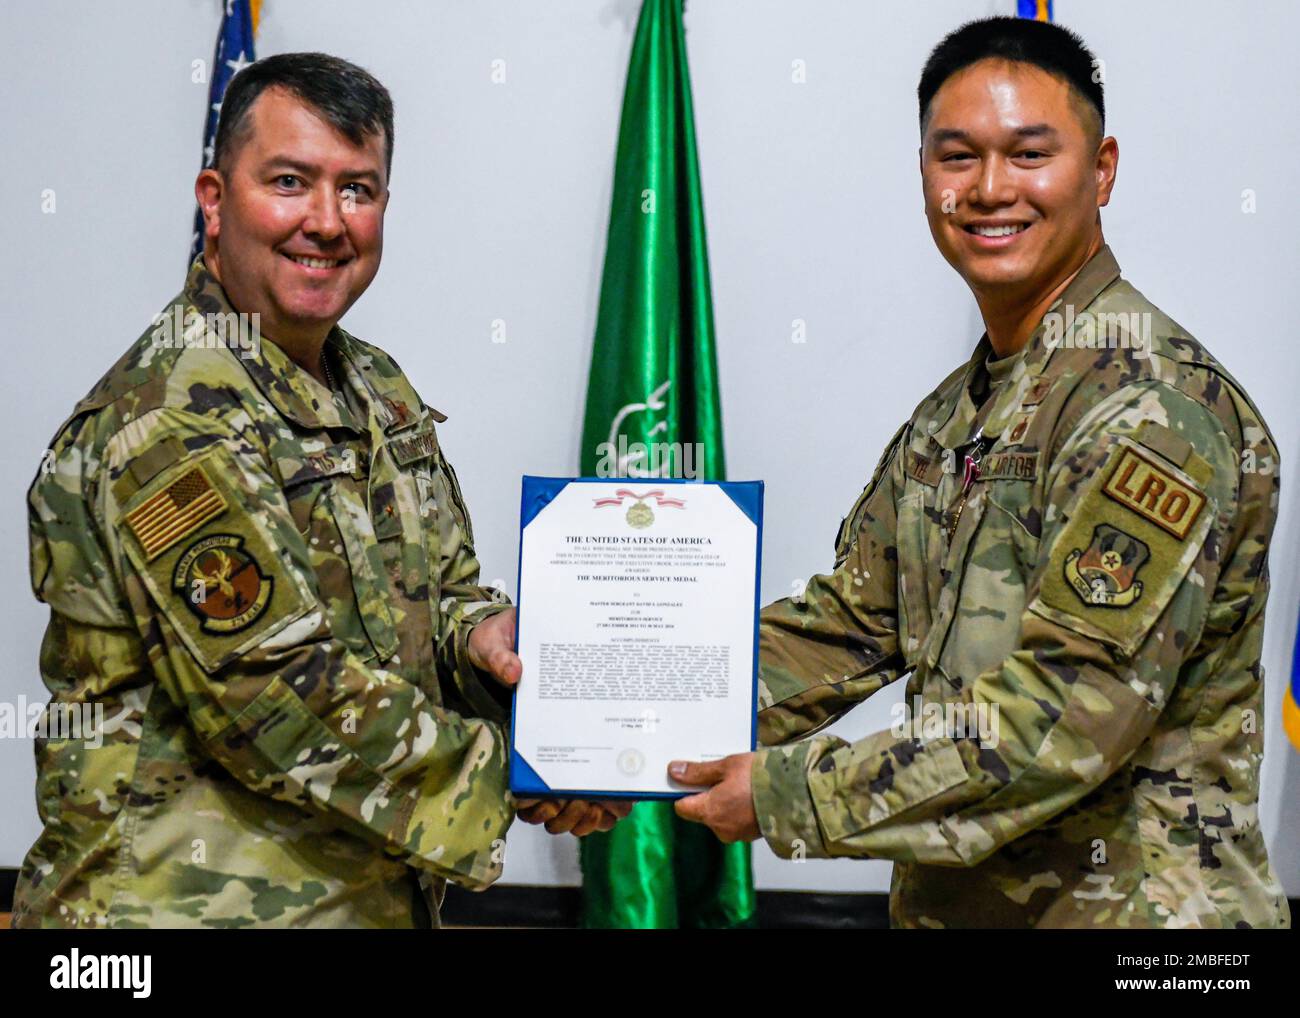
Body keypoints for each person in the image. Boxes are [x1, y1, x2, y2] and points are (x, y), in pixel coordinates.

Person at [669, 17, 1291, 928]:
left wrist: (787, 794)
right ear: (923, 174)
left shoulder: (1152, 409)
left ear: (1103, 168)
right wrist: (626, 719)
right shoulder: (960, 412)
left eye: (1030, 154)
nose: (991, 189)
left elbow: (1057, 721)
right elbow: (850, 625)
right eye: (957, 157)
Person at [15, 51, 621, 929]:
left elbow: (434, 602)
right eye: (290, 181)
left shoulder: (375, 389)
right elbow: (283, 698)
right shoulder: (168, 418)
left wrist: (488, 642)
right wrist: (530, 772)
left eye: (360, 189)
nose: (328, 222)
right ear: (215, 200)